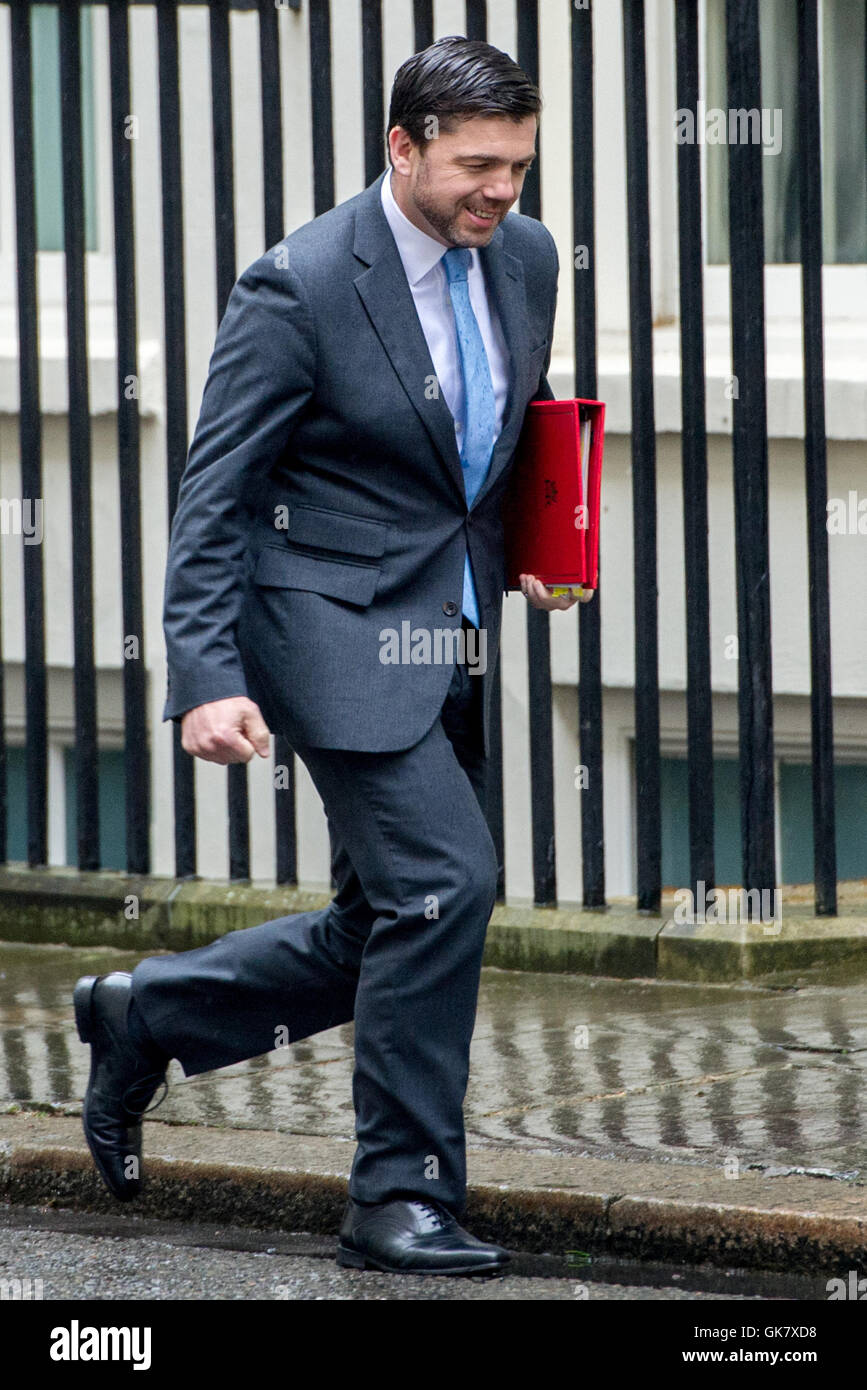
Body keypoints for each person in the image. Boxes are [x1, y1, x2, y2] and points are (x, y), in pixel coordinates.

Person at [73, 35, 593, 1277]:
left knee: (387, 920)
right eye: (477, 166)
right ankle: (397, 1195)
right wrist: (204, 679)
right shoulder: (298, 284)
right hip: (326, 631)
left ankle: (144, 1013)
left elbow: (486, 425)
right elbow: (216, 497)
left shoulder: (521, 257)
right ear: (400, 147)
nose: (502, 193)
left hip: (451, 625)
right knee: (445, 887)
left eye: (519, 166)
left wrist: (539, 538)